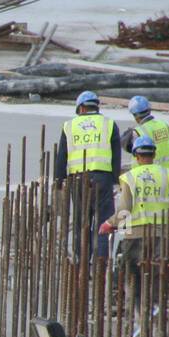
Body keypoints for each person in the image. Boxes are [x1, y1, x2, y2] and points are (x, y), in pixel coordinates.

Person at [99, 136, 169, 307]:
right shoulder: (167, 175)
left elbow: (124, 209)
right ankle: (156, 311)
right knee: (159, 278)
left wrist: (109, 223)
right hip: (161, 235)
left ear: (136, 155)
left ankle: (135, 314)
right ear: (154, 154)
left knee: (133, 278)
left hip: (134, 236)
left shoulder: (129, 177)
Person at [55, 90, 121, 259]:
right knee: (103, 223)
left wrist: (59, 181)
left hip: (77, 180)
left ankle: (81, 262)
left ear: (82, 109)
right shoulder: (109, 124)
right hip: (102, 180)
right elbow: (116, 157)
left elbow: (62, 156)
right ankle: (100, 264)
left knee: (81, 224)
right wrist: (115, 181)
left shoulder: (69, 126)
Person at [120, 95, 169, 168]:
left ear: (135, 115)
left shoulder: (137, 132)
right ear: (149, 110)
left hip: (145, 175)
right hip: (167, 173)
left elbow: (124, 144)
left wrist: (130, 131)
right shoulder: (164, 125)